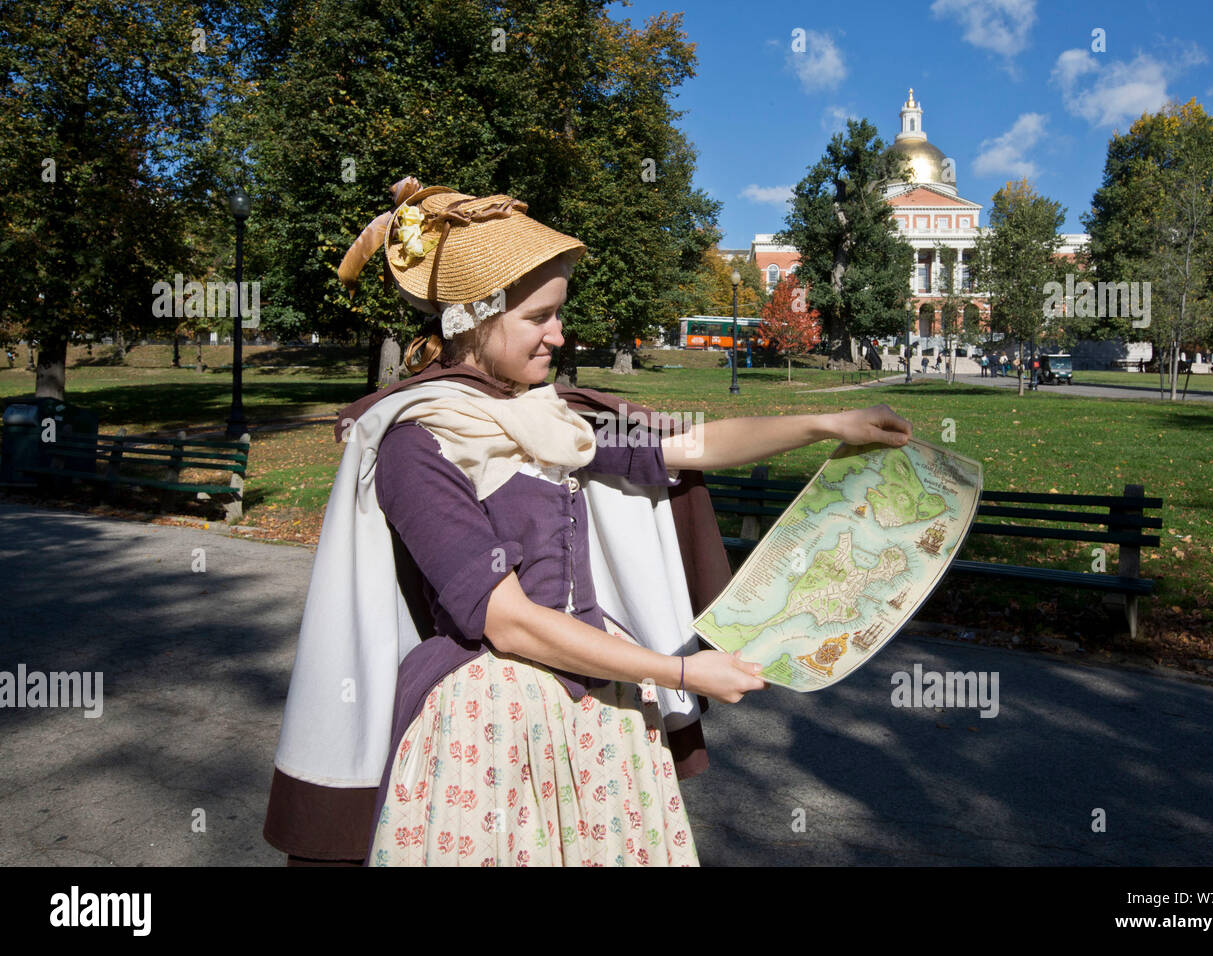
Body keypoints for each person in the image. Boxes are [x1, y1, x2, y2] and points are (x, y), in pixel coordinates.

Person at [263, 180, 913, 867]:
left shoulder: (554, 419)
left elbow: (687, 445)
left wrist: (825, 423)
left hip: (603, 716)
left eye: (559, 313)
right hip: (489, 727)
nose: (560, 334)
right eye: (540, 317)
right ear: (478, 320)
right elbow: (505, 620)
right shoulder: (414, 441)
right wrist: (682, 674)